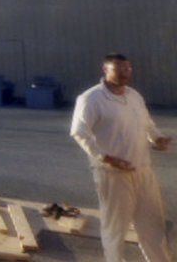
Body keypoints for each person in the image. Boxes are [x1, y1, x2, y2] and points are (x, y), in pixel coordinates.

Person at [70, 53, 171, 262]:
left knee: (153, 226)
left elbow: (148, 125)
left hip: (143, 171)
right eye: (119, 69)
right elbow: (79, 132)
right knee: (115, 228)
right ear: (105, 70)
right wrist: (104, 157)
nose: (126, 73)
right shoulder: (91, 99)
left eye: (128, 69)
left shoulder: (134, 96)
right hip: (113, 174)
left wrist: (157, 138)